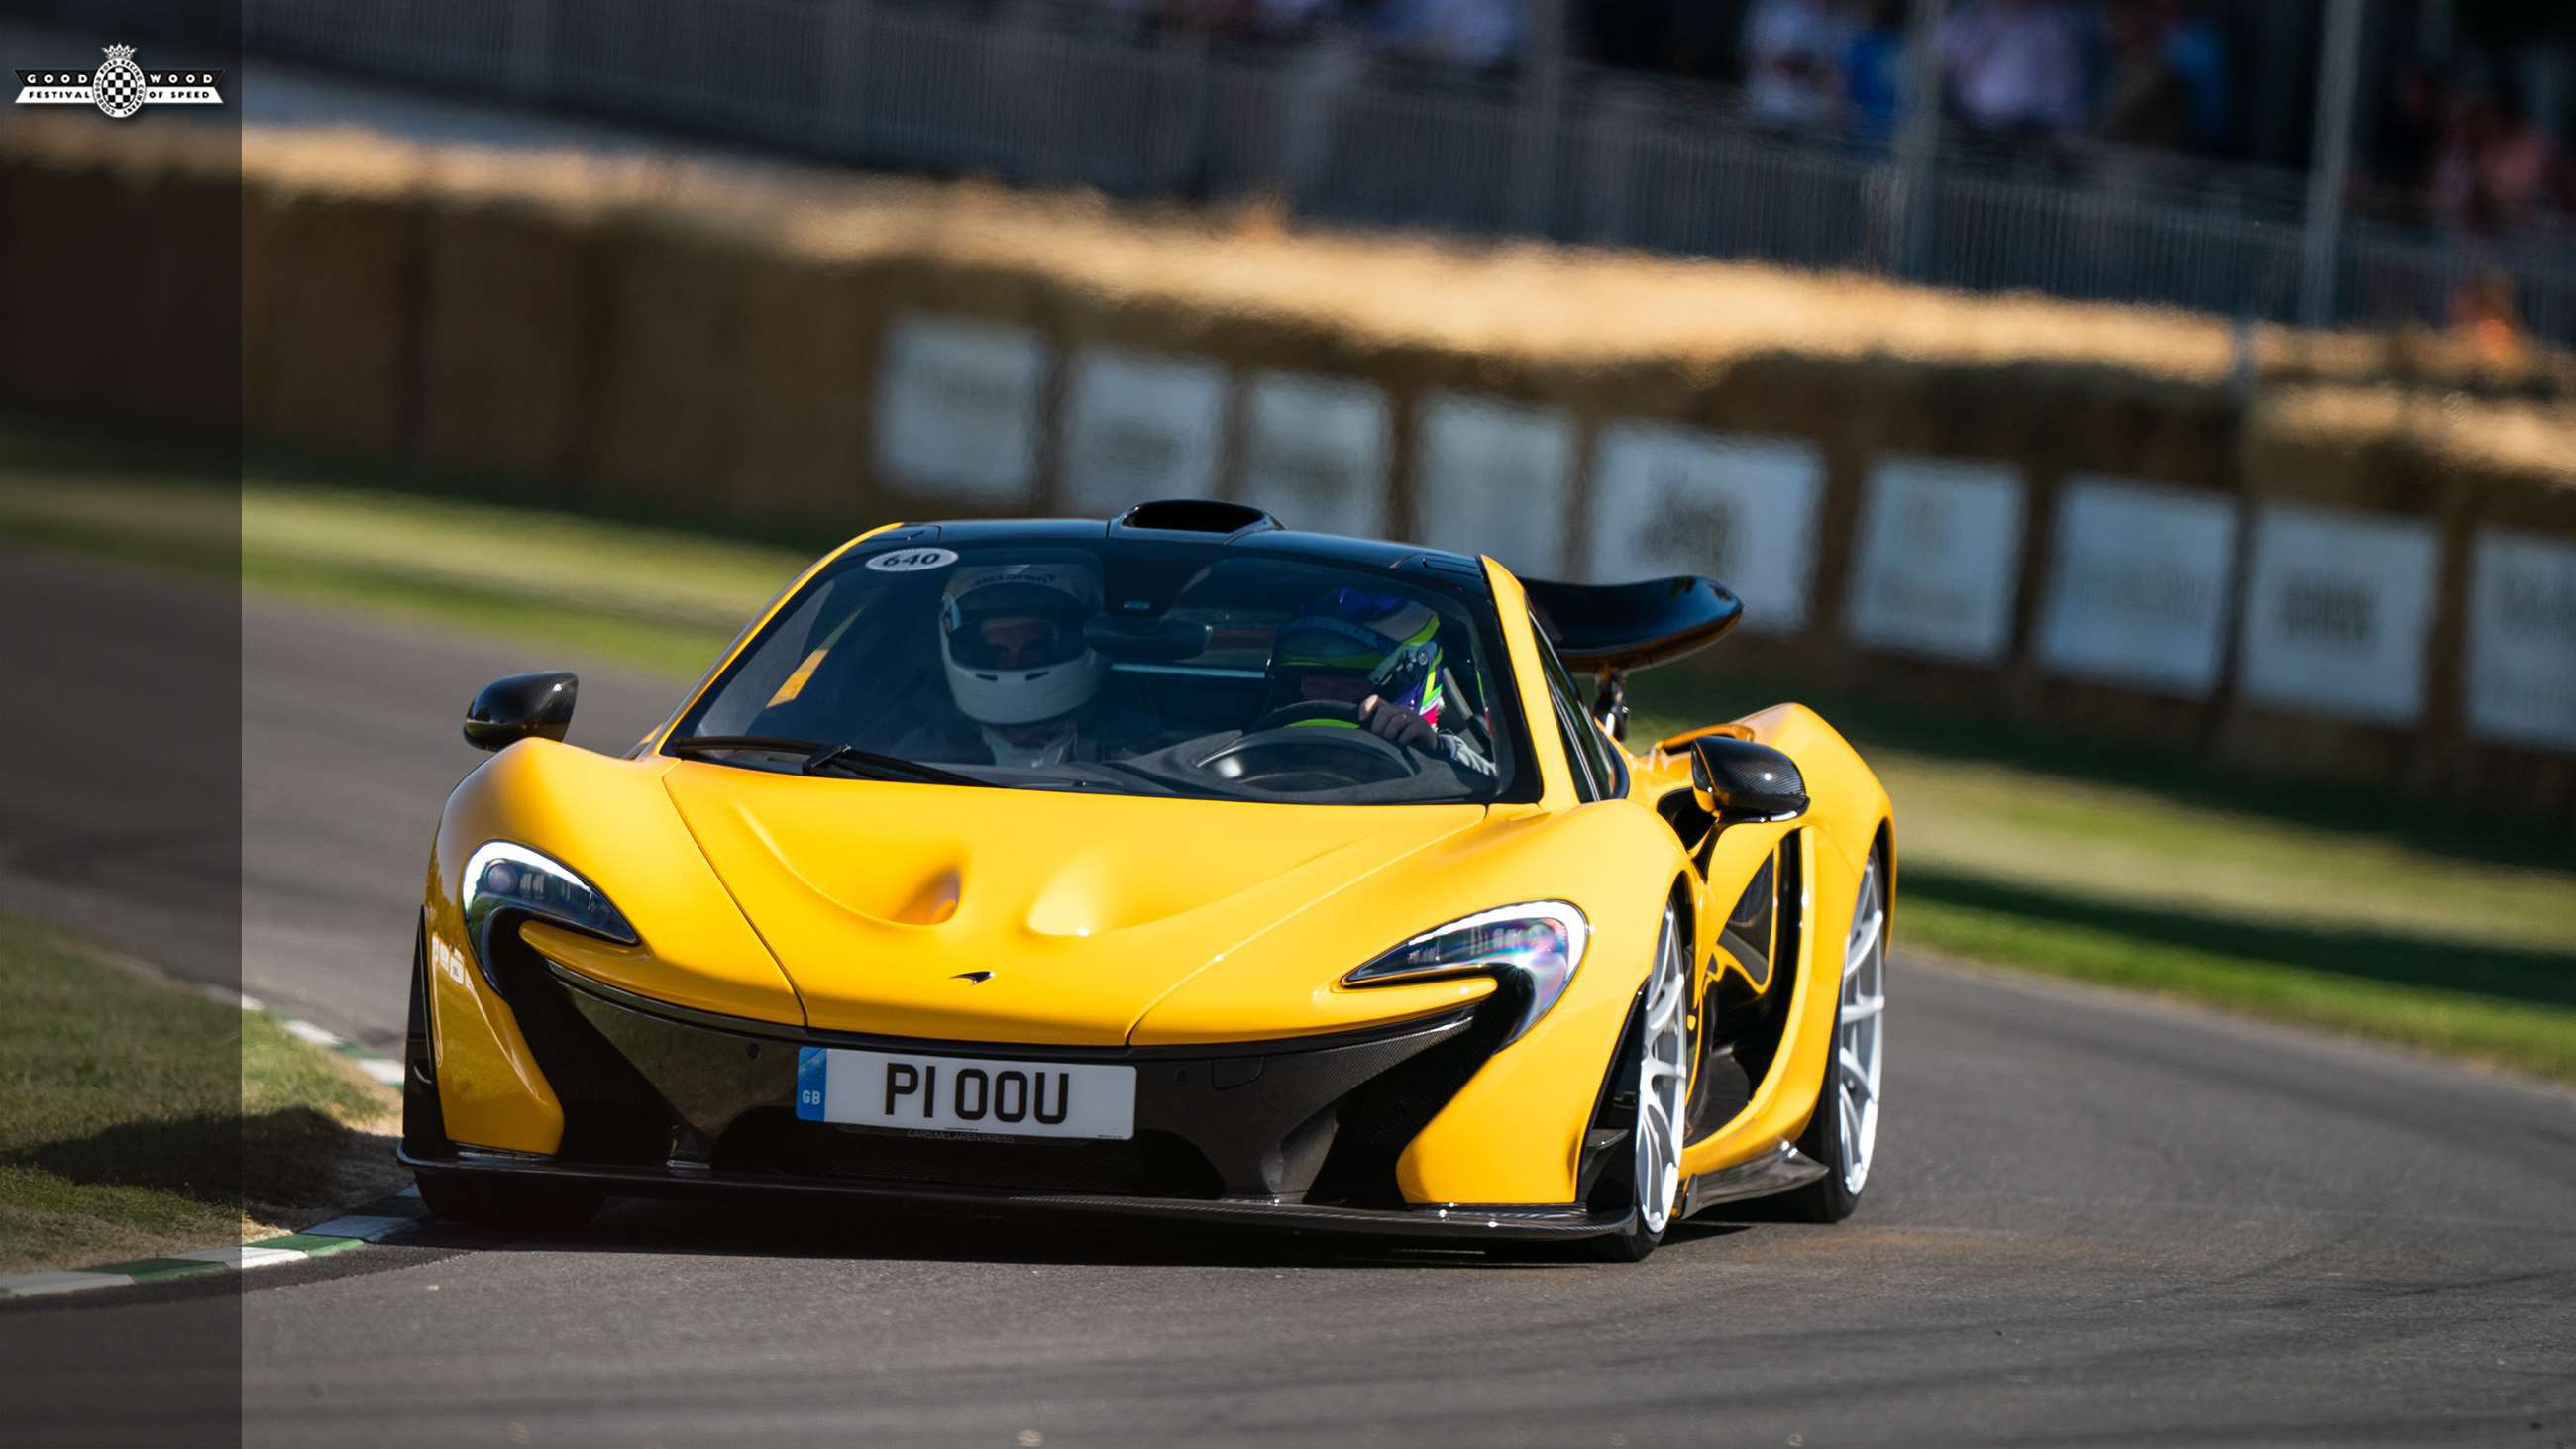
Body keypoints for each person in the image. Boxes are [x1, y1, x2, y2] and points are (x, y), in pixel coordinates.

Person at [901, 561, 1151, 768]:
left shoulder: (1139, 750)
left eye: (1034, 647)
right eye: (996, 650)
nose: (1015, 663)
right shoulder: (919, 755)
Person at [1260, 587, 1496, 777]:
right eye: (1315, 686)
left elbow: (1503, 795)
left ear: (1412, 676)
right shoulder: (1256, 750)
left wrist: (1435, 751)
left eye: (1349, 687)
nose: (1327, 698)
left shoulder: (1450, 756)